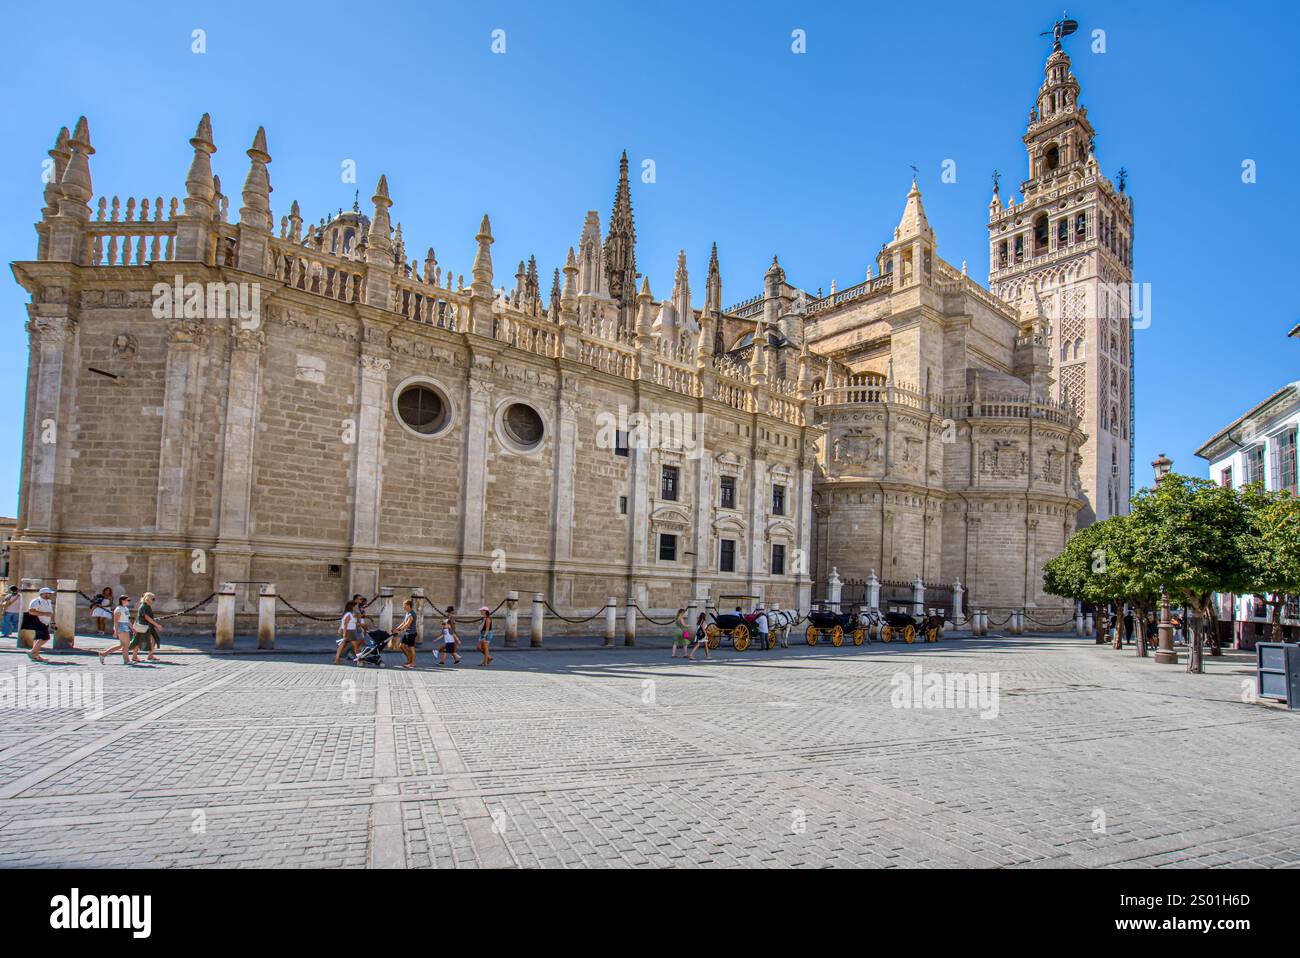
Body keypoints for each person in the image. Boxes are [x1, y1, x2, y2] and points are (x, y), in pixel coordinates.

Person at [23, 586, 55, 662]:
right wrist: (44, 614)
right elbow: (31, 611)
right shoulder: (36, 601)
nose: (50, 595)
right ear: (43, 594)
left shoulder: (48, 601)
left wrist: (53, 622)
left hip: (45, 622)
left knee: (39, 639)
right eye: (48, 593)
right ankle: (32, 652)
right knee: (45, 638)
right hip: (38, 622)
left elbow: (50, 613)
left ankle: (36, 656)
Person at [99, 595, 134, 665]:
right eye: (128, 600)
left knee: (122, 645)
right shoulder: (118, 609)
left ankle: (103, 654)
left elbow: (127, 620)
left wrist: (132, 628)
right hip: (121, 626)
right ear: (123, 601)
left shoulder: (125, 608)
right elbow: (116, 621)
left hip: (125, 625)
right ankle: (126, 660)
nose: (129, 602)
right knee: (126, 645)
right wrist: (116, 631)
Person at [131, 592, 162, 663]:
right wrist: (157, 625)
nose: (154, 601)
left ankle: (150, 655)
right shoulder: (143, 607)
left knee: (153, 640)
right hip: (143, 627)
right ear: (148, 599)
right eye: (153, 599)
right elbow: (147, 618)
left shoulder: (147, 606)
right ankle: (134, 656)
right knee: (138, 641)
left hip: (148, 627)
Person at [394, 598, 418, 669]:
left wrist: (400, 630)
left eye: (404, 605)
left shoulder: (411, 614)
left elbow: (408, 624)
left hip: (411, 633)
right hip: (407, 632)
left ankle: (413, 663)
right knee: (401, 646)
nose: (403, 606)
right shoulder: (407, 613)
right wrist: (397, 628)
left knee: (411, 648)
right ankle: (409, 659)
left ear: (408, 605)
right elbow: (404, 622)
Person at [334, 600, 359, 665]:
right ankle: (359, 659)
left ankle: (337, 660)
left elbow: (351, 623)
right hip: (349, 632)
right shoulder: (348, 614)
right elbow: (345, 624)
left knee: (342, 646)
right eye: (355, 606)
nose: (355, 608)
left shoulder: (350, 614)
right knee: (356, 646)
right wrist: (345, 634)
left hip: (350, 631)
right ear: (352, 606)